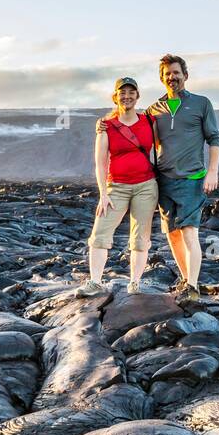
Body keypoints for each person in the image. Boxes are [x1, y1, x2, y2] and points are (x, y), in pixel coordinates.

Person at [146, 54, 219, 302]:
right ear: (162, 78)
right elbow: (140, 138)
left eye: (176, 73)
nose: (172, 77)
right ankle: (185, 279)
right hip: (164, 180)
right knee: (172, 233)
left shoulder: (201, 104)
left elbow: (214, 139)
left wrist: (213, 171)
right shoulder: (153, 110)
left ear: (185, 76)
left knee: (189, 230)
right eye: (167, 74)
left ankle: (193, 286)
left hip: (193, 178)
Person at [78, 76, 158, 296]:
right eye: (122, 92)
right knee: (100, 232)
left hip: (146, 186)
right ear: (115, 97)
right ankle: (95, 282)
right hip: (117, 187)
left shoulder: (149, 122)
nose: (127, 96)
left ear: (137, 96)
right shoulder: (107, 127)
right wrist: (103, 194)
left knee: (141, 236)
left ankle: (135, 283)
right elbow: (100, 163)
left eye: (131, 92)